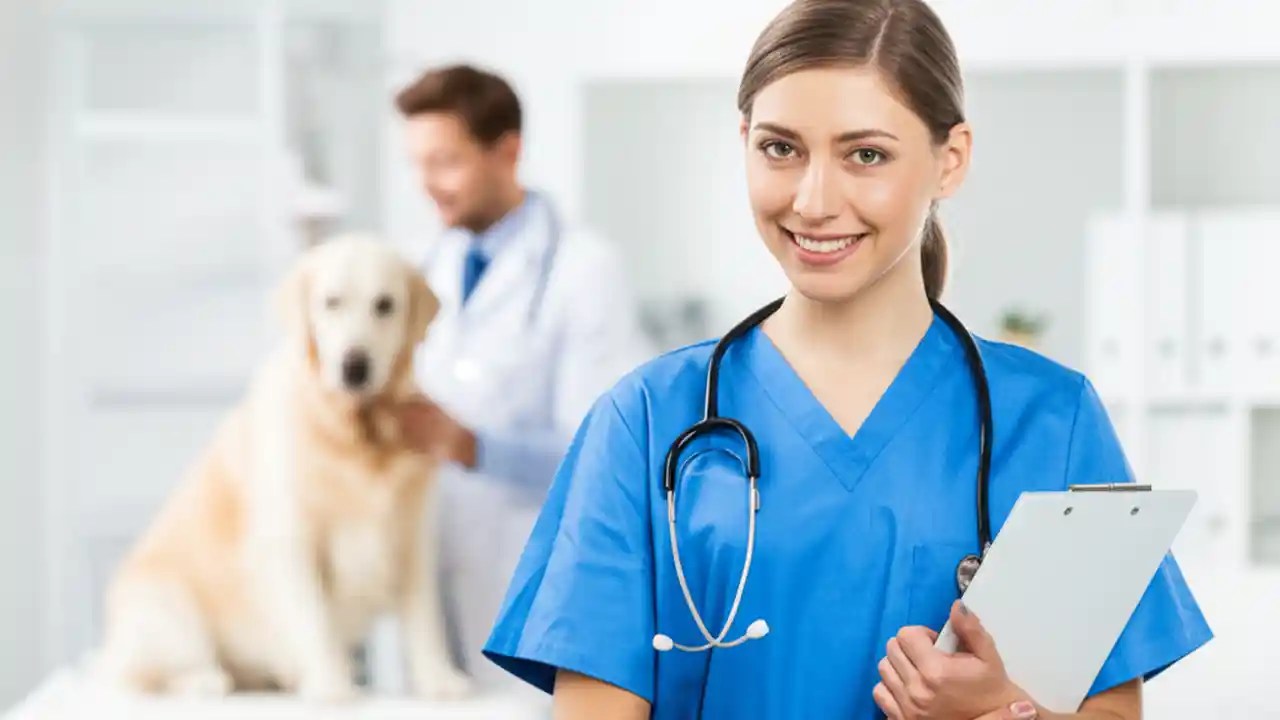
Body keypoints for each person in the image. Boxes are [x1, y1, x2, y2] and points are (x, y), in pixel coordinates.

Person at [479, 1, 1213, 718]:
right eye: (780, 148)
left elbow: (1110, 709)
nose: (814, 199)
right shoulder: (645, 422)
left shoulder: (1052, 421)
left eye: (866, 154)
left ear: (949, 160)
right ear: (744, 142)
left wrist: (998, 713)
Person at [391, 64, 653, 692]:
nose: (428, 185)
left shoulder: (583, 269)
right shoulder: (431, 262)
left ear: (507, 151)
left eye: (446, 161)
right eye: (418, 164)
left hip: (528, 583)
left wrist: (474, 447)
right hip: (431, 574)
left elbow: (606, 459)